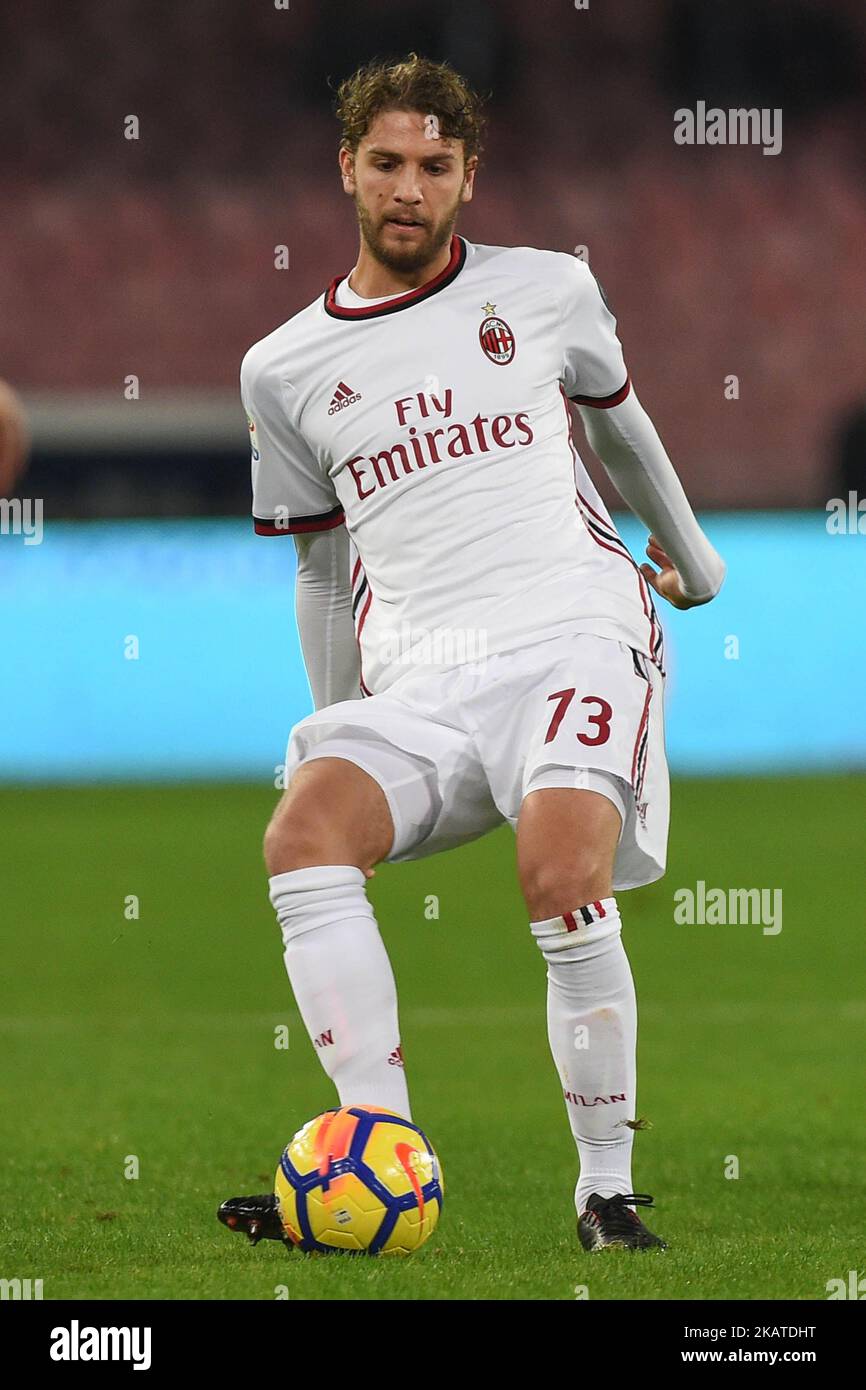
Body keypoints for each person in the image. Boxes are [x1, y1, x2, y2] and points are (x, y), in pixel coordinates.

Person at [219, 52, 725, 1254]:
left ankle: (605, 1191)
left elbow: (623, 426)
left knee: (558, 873)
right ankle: (373, 1153)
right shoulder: (282, 368)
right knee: (302, 832)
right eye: (386, 163)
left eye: (433, 166)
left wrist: (694, 565)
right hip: (421, 675)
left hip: (574, 631)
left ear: (466, 177)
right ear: (345, 167)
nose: (408, 188)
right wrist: (342, 737)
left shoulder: (547, 288)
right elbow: (322, 568)